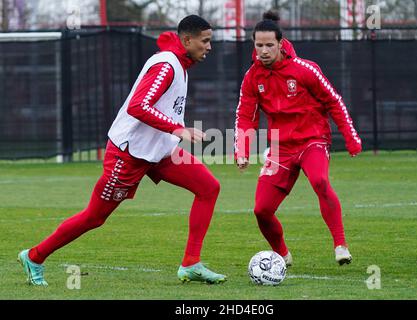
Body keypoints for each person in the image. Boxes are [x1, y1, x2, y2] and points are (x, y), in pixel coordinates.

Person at [18, 15, 226, 286]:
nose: (209, 46)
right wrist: (176, 129)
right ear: (187, 40)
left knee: (209, 188)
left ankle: (190, 264)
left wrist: (172, 133)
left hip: (160, 151)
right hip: (129, 155)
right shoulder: (167, 65)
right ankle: (34, 256)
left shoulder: (179, 63)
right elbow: (137, 106)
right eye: (205, 40)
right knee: (95, 217)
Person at [234, 11, 362, 267]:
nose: (264, 50)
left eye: (269, 45)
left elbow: (333, 101)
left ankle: (340, 245)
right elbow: (245, 116)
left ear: (280, 44)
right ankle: (282, 255)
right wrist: (242, 149)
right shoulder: (252, 78)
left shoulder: (305, 70)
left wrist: (351, 137)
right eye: (259, 45)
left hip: (312, 139)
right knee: (261, 210)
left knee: (320, 180)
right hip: (280, 148)